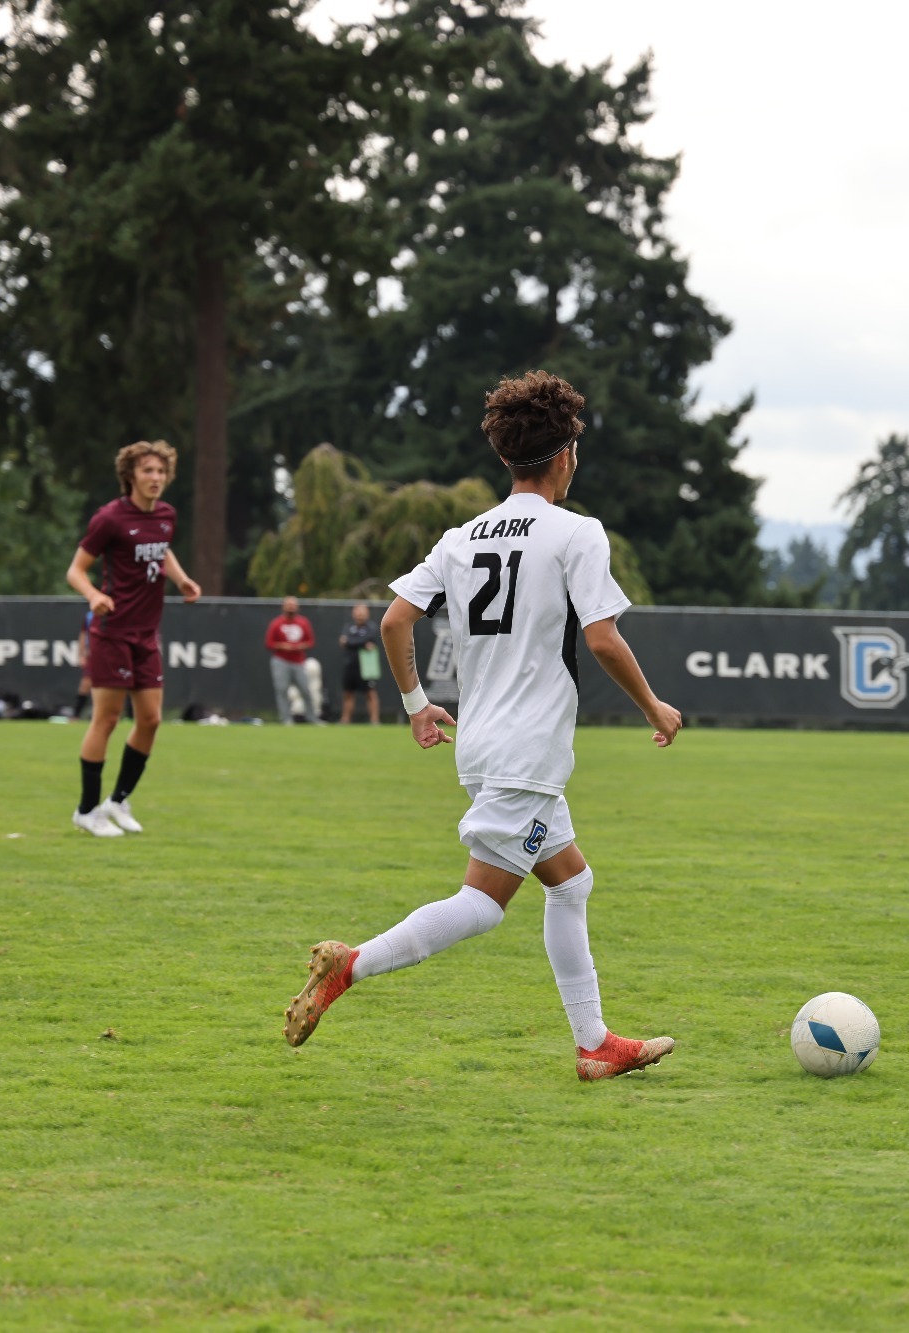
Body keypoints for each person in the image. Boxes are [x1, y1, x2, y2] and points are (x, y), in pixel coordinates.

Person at [284, 369, 683, 1083]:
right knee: (483, 904)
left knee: (571, 882)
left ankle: (595, 1044)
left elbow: (395, 620)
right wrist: (654, 706)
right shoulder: (578, 533)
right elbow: (602, 638)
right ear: (566, 456)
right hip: (527, 753)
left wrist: (416, 704)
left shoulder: (461, 536)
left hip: (484, 743)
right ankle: (351, 964)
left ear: (505, 456)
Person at [65, 439, 201, 836]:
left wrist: (182, 579)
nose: (156, 478)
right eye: (148, 471)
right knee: (106, 720)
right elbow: (75, 570)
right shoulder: (109, 518)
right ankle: (87, 811)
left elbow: (162, 550)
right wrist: (94, 595)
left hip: (146, 634)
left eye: (161, 471)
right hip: (112, 633)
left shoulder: (166, 515)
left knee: (151, 720)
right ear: (131, 476)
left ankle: (118, 801)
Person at [265, 595, 321, 723]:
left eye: (293, 605)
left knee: (306, 690)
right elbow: (269, 643)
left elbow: (311, 642)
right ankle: (286, 719)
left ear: (297, 607)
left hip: (299, 661)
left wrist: (300, 646)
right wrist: (282, 646)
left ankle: (312, 718)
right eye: (288, 604)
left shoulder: (303, 622)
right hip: (281, 661)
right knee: (282, 690)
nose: (291, 607)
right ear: (283, 607)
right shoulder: (276, 623)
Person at [338, 602, 382, 724]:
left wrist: (350, 642)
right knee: (348, 693)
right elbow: (344, 641)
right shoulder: (348, 627)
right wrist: (361, 643)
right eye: (357, 613)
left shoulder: (372, 627)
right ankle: (345, 720)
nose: (360, 616)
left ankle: (374, 720)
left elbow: (363, 639)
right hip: (350, 665)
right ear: (353, 614)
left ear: (367, 614)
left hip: (367, 666)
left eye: (362, 613)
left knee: (370, 693)